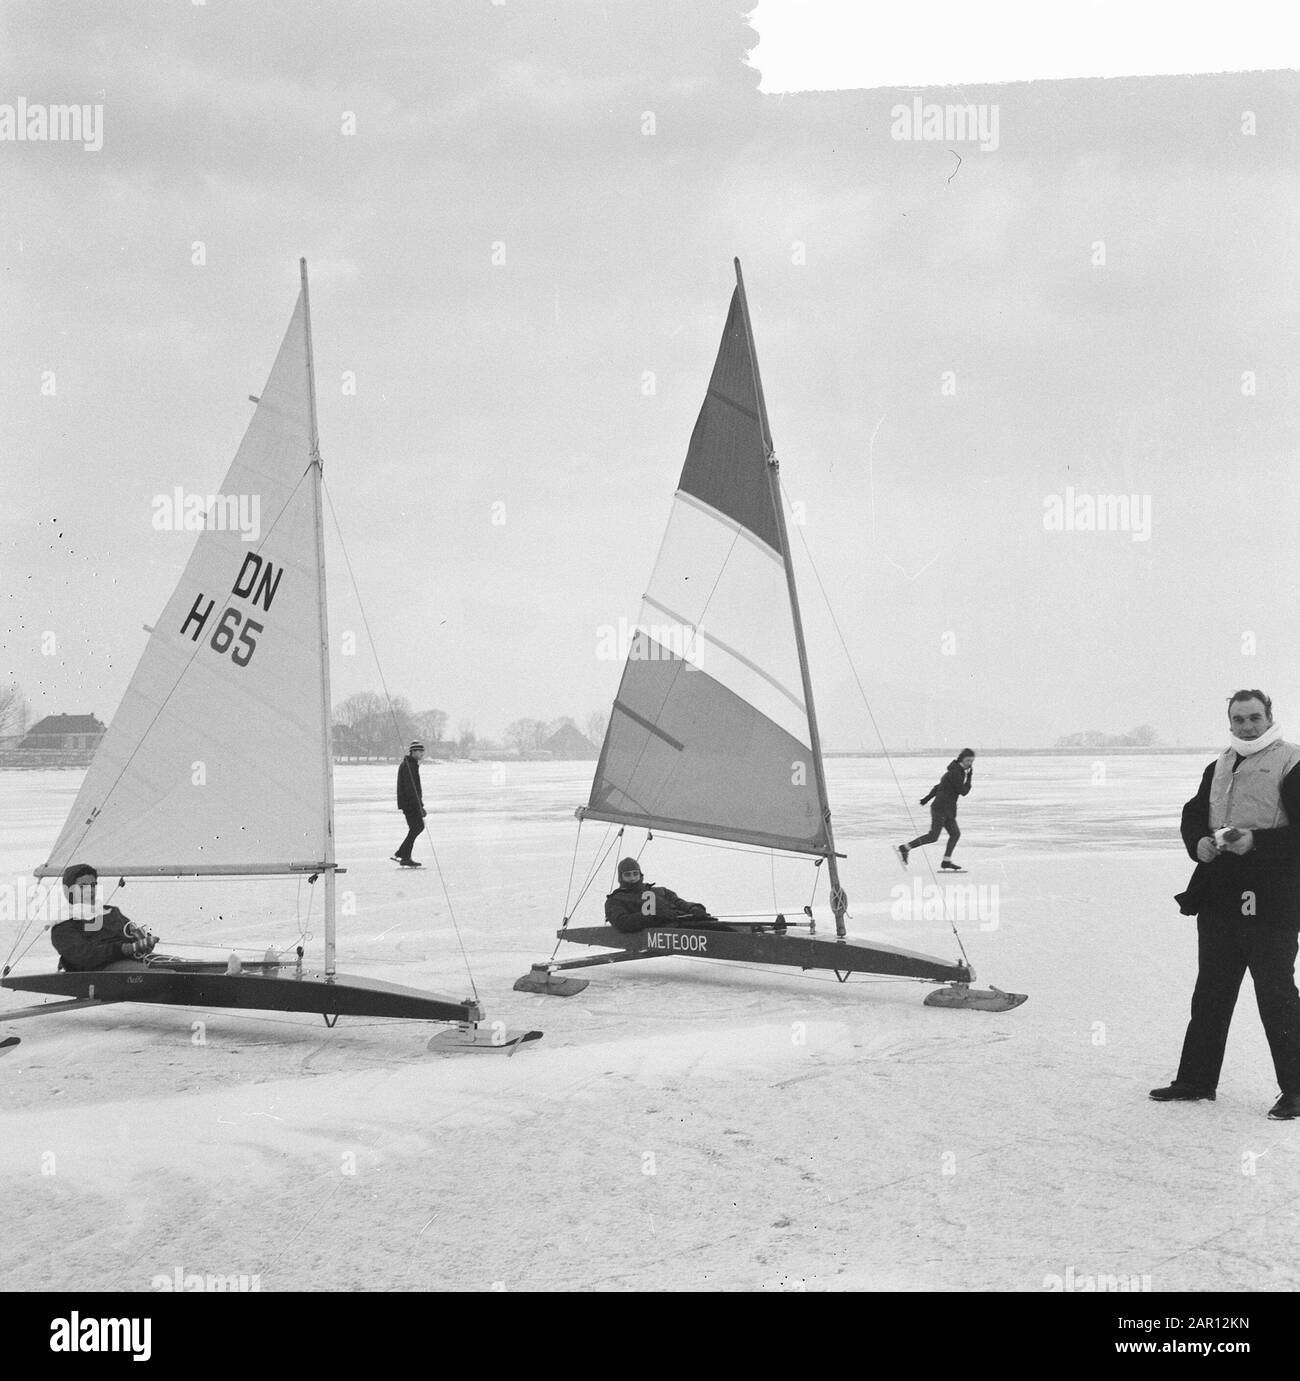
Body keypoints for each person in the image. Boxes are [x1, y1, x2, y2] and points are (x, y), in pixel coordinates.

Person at [1151, 691, 1300, 1120]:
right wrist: (1198, 842)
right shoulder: (1218, 765)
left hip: (1272, 898)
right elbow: (1193, 813)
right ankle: (1196, 1080)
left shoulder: (1293, 762)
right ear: (1229, 723)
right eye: (1239, 719)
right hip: (1219, 894)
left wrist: (1258, 841)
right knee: (1211, 993)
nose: (1247, 726)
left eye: (1255, 718)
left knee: (1277, 996)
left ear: (1270, 718)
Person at [50, 863, 157, 971]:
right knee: (156, 974)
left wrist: (142, 941)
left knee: (173, 965)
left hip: (131, 960)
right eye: (82, 886)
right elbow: (83, 955)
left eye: (93, 885)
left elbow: (130, 936)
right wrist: (125, 949)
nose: (90, 890)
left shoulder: (111, 912)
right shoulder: (64, 923)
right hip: (97, 971)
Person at [897, 749, 975, 871]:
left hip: (947, 809)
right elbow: (963, 791)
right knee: (933, 836)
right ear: (961, 759)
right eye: (967, 760)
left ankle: (946, 861)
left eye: (971, 761)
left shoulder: (954, 772)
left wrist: (927, 798)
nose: (969, 763)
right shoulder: (956, 773)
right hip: (941, 808)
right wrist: (969, 778)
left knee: (955, 834)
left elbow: (938, 787)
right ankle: (905, 848)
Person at [604, 857, 730, 933]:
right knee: (720, 932)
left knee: (717, 926)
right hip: (668, 929)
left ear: (640, 874)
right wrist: (652, 917)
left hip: (683, 921)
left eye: (635, 873)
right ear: (621, 877)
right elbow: (623, 922)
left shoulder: (659, 891)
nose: (632, 878)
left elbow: (678, 902)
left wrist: (692, 908)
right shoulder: (616, 900)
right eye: (627, 875)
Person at [392, 740, 426, 868]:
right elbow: (411, 788)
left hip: (409, 803)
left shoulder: (411, 764)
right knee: (417, 826)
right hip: (409, 804)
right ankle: (403, 854)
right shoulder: (409, 766)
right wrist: (419, 806)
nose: (422, 753)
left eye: (423, 751)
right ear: (413, 752)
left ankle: (404, 855)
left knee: (417, 827)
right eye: (420, 751)